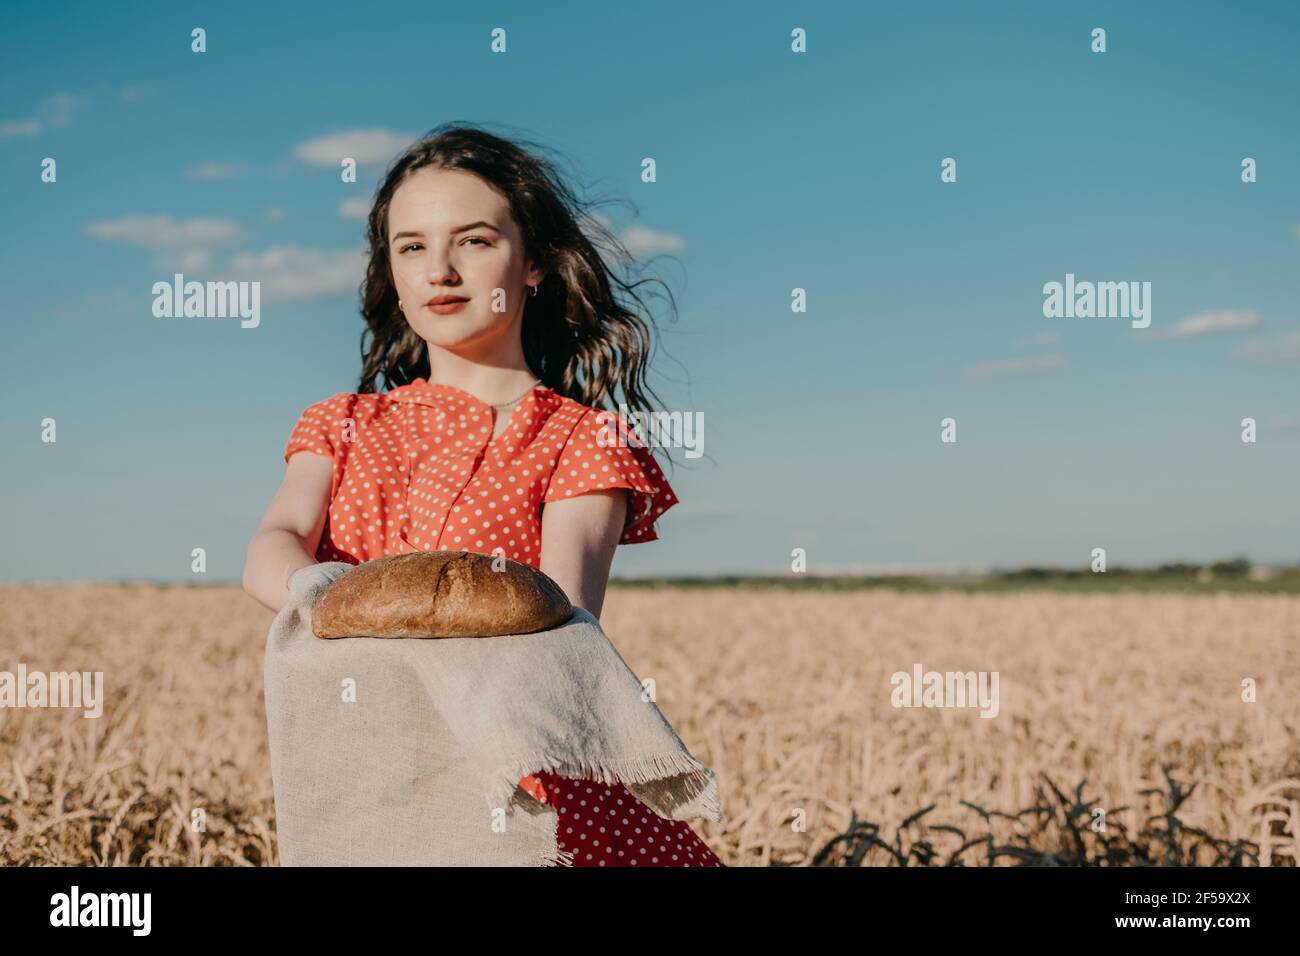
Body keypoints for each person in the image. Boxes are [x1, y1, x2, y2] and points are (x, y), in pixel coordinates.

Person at [242, 123, 723, 867]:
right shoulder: (341, 423)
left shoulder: (582, 436)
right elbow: (271, 549)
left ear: (533, 264)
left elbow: (562, 611)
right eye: (411, 247)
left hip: (516, 790)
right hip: (365, 773)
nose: (440, 270)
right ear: (390, 275)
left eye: (472, 241)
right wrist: (332, 591)